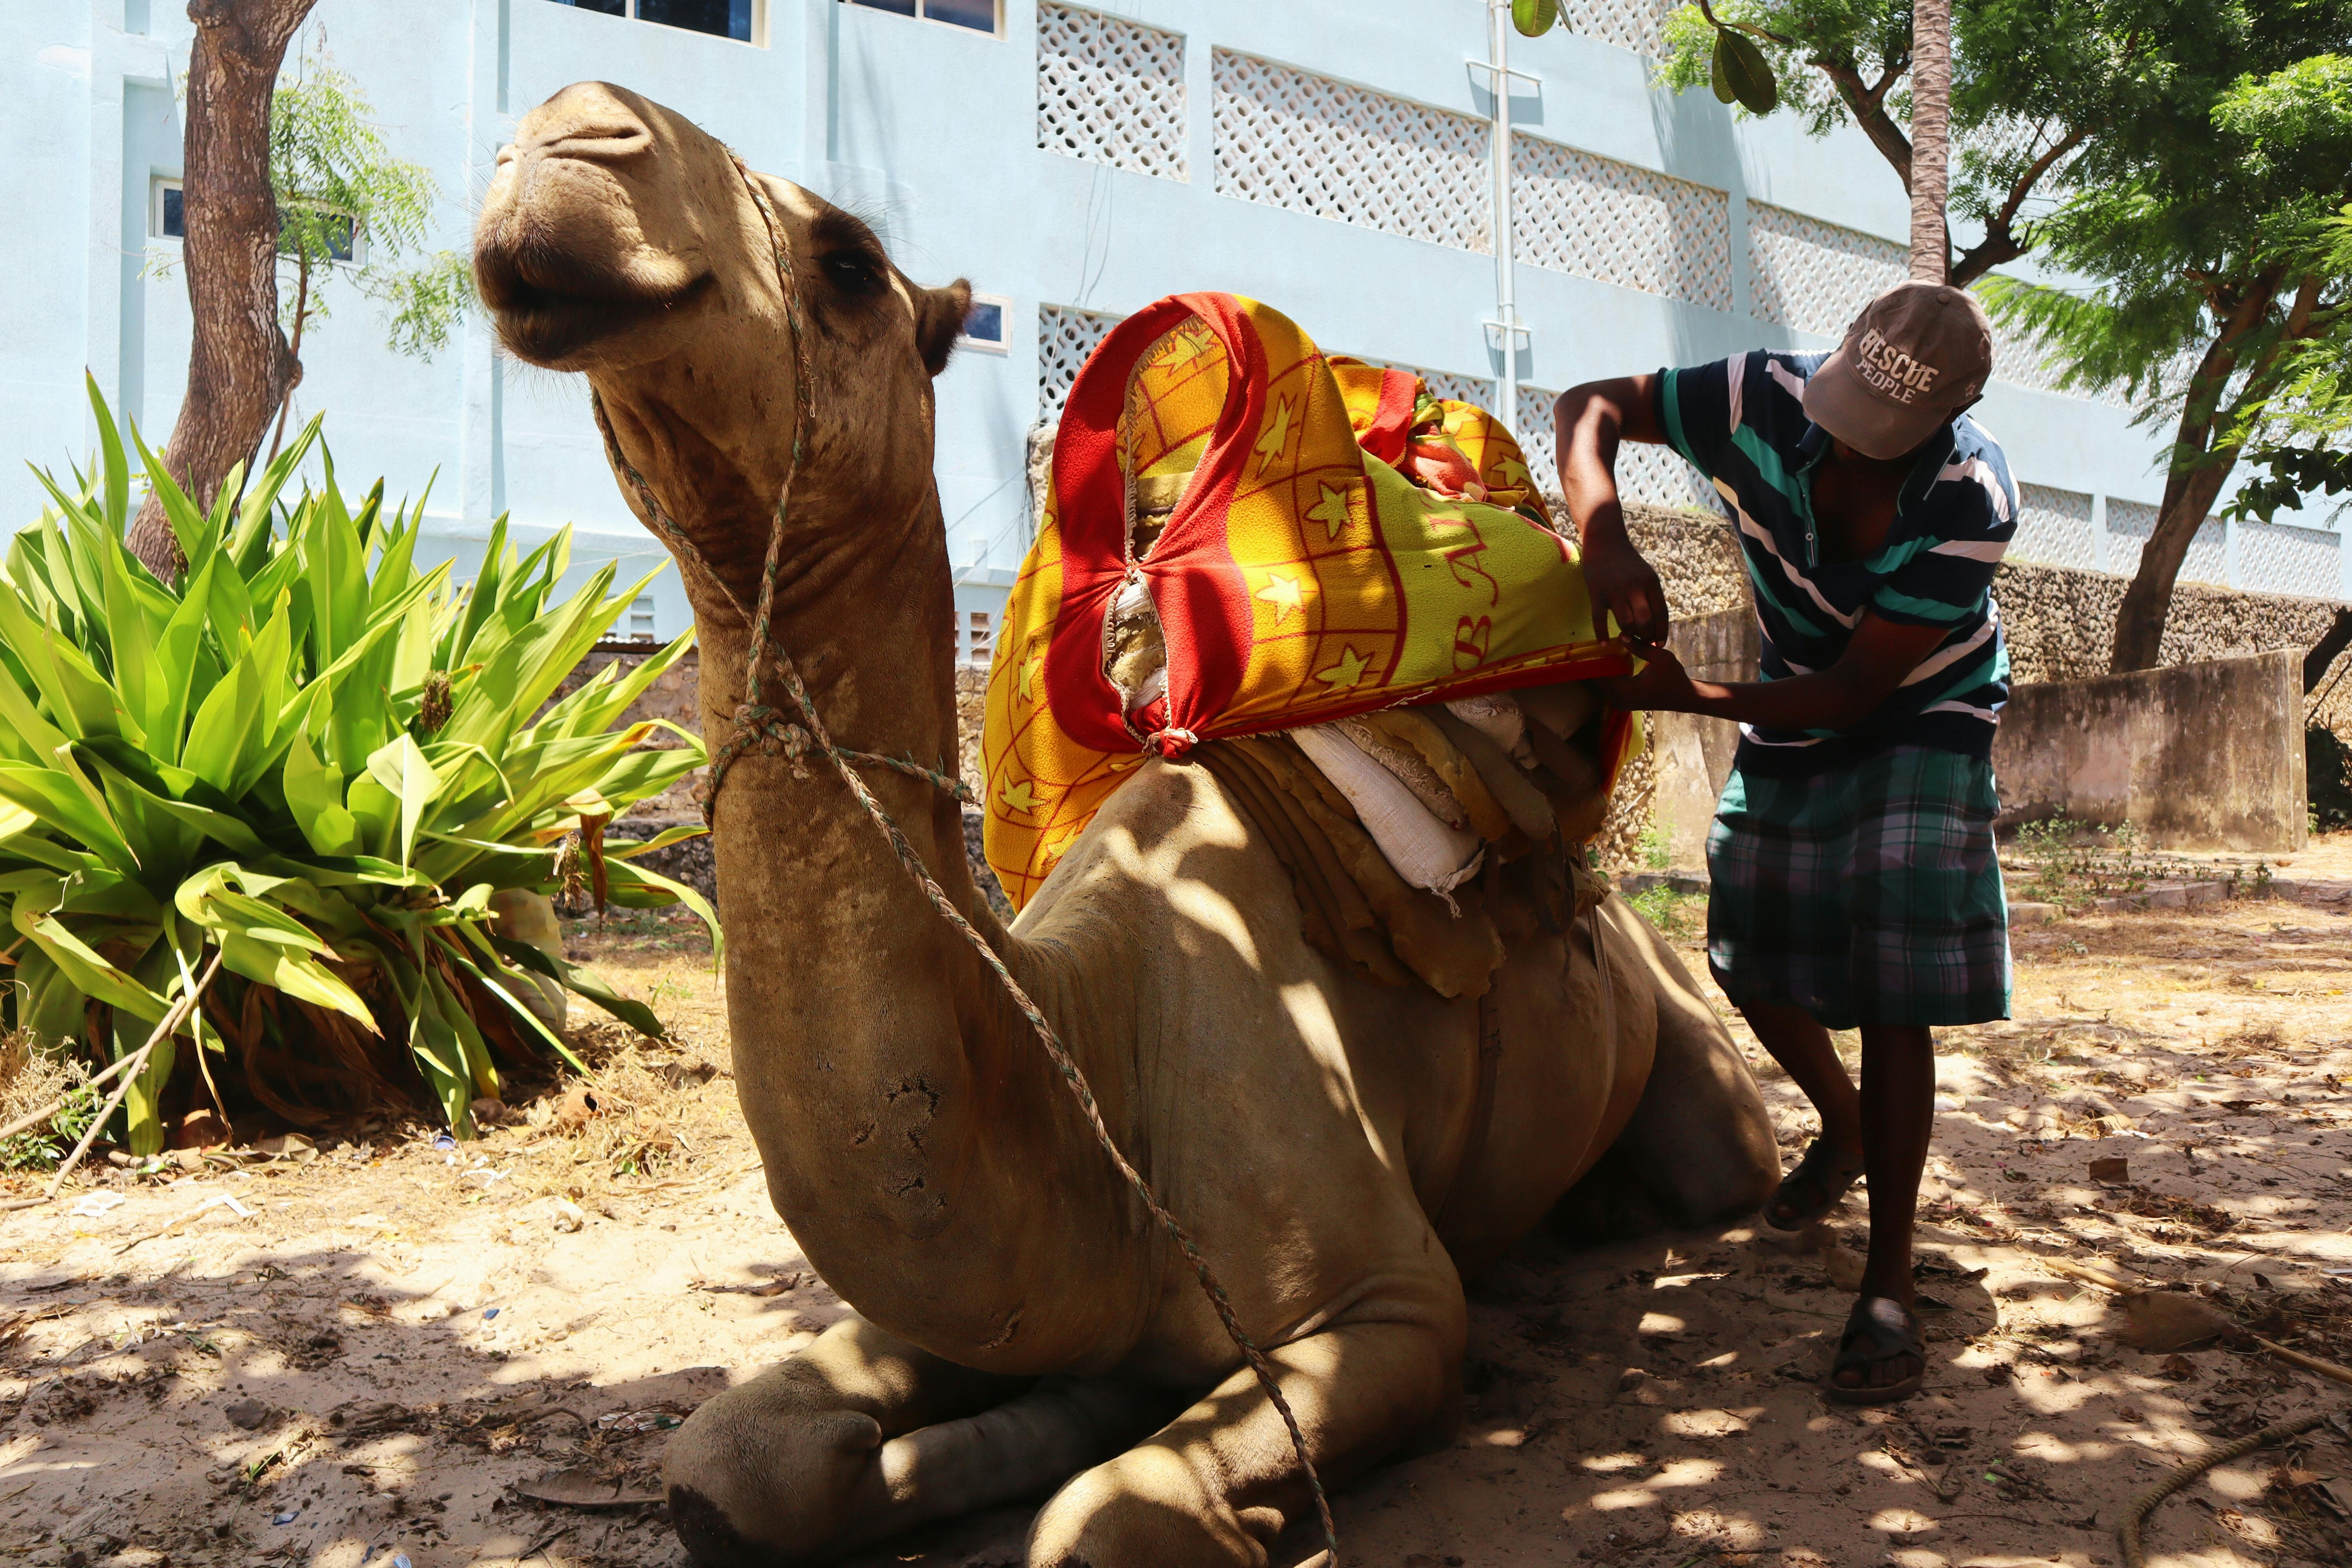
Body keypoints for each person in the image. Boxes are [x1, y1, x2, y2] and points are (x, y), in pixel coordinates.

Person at [1556, 281, 2017, 1405]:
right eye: (1840, 415)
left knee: (1895, 978)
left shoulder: (1973, 498)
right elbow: (1587, 405)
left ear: (1941, 427)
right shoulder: (1765, 391)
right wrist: (1603, 533)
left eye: (1878, 445)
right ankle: (1847, 1124)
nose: (1842, 452)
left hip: (1917, 714)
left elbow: (1860, 690)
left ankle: (1890, 1287)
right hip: (1794, 697)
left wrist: (1686, 692)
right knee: (1745, 948)